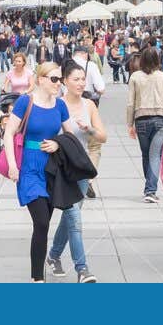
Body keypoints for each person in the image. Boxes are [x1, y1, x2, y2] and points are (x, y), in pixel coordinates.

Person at [2, 61, 73, 283]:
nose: (58, 83)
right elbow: (9, 133)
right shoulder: (25, 102)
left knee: (43, 226)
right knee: (41, 221)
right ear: (41, 80)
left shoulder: (60, 105)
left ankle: (37, 273)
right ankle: (37, 278)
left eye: (60, 79)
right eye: (54, 79)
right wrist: (13, 165)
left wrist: (58, 144)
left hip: (52, 169)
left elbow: (70, 137)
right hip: (29, 168)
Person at [47, 60, 105, 282]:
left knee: (70, 216)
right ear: (64, 82)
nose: (81, 83)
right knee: (74, 217)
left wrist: (89, 129)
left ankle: (53, 255)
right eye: (76, 79)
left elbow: (103, 137)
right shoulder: (56, 104)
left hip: (81, 168)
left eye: (83, 79)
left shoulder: (89, 105)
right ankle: (82, 269)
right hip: (62, 169)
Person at [124, 50, 163, 203]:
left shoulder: (135, 77)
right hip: (161, 119)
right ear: (158, 60)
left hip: (141, 119)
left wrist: (129, 123)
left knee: (146, 154)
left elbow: (130, 102)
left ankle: (150, 186)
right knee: (155, 155)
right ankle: (150, 189)